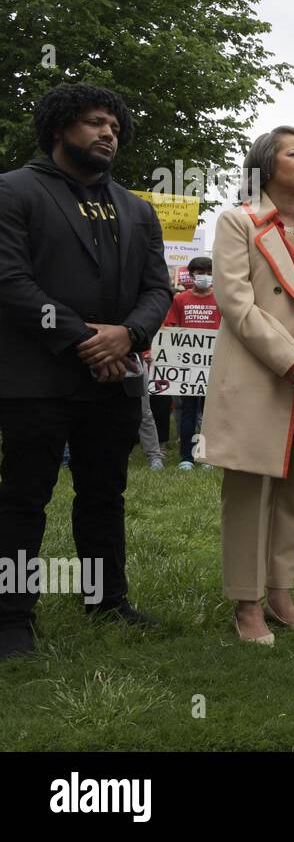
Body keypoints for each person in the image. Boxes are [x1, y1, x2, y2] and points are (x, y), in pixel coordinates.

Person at [0, 84, 172, 659]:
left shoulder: (138, 208)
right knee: (25, 499)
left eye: (115, 127)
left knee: (105, 494)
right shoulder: (14, 191)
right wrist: (86, 339)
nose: (107, 133)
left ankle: (106, 600)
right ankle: (11, 617)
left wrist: (128, 336)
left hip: (115, 377)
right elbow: (11, 282)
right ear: (59, 129)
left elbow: (157, 289)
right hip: (36, 377)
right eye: (95, 123)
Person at [203, 126, 294, 644]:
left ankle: (282, 596)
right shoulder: (236, 222)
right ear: (266, 164)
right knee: (247, 496)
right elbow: (236, 304)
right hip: (258, 379)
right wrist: (291, 360)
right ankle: (248, 606)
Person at [162, 255, 221, 470]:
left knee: (209, 413)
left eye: (208, 273)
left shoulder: (221, 298)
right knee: (188, 410)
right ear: (192, 274)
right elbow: (170, 327)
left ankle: (205, 455)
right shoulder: (180, 300)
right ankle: (186, 456)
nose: (204, 277)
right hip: (187, 366)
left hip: (213, 364)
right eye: (200, 273)